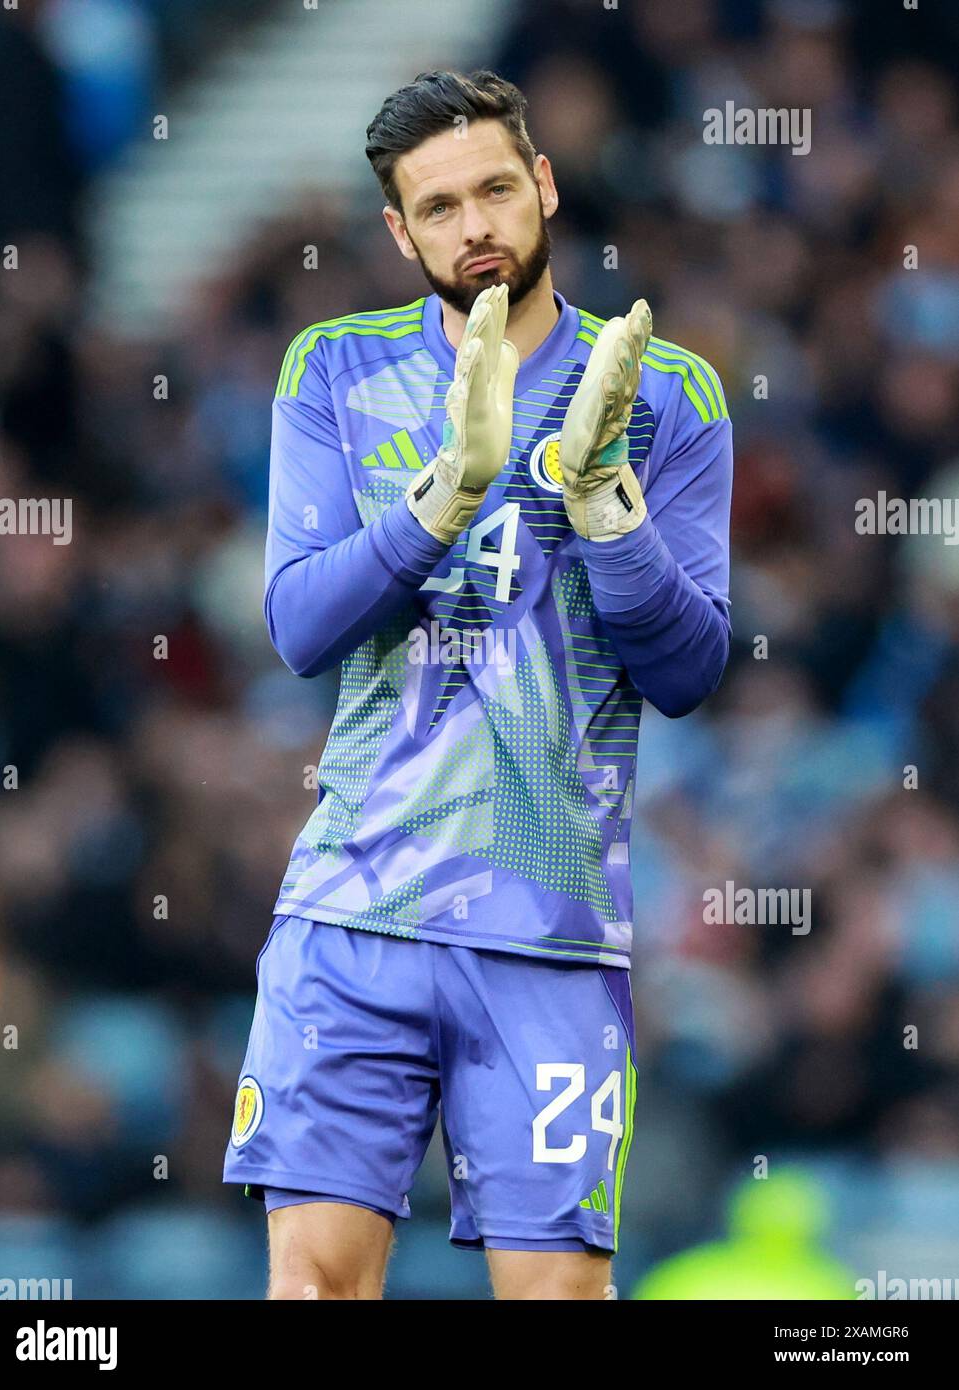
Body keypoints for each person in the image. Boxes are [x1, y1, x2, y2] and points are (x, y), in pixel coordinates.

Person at [224, 68, 733, 1301]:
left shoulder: (662, 386)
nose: (477, 226)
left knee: (557, 1297)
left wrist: (606, 503)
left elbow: (689, 670)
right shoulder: (334, 369)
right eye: (439, 206)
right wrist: (447, 490)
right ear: (400, 233)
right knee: (317, 1287)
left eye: (498, 188)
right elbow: (298, 624)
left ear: (544, 185)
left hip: (548, 927)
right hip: (355, 909)